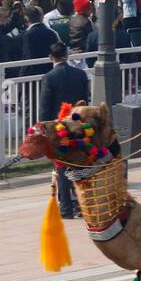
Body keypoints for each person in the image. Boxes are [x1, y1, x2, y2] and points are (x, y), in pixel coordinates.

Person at [38, 43, 91, 218]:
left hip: (59, 128)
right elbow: (86, 101)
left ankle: (66, 207)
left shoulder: (49, 77)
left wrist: (43, 129)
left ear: (50, 57)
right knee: (78, 166)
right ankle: (81, 205)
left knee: (61, 168)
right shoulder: (80, 74)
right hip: (78, 126)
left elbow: (45, 108)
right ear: (67, 55)